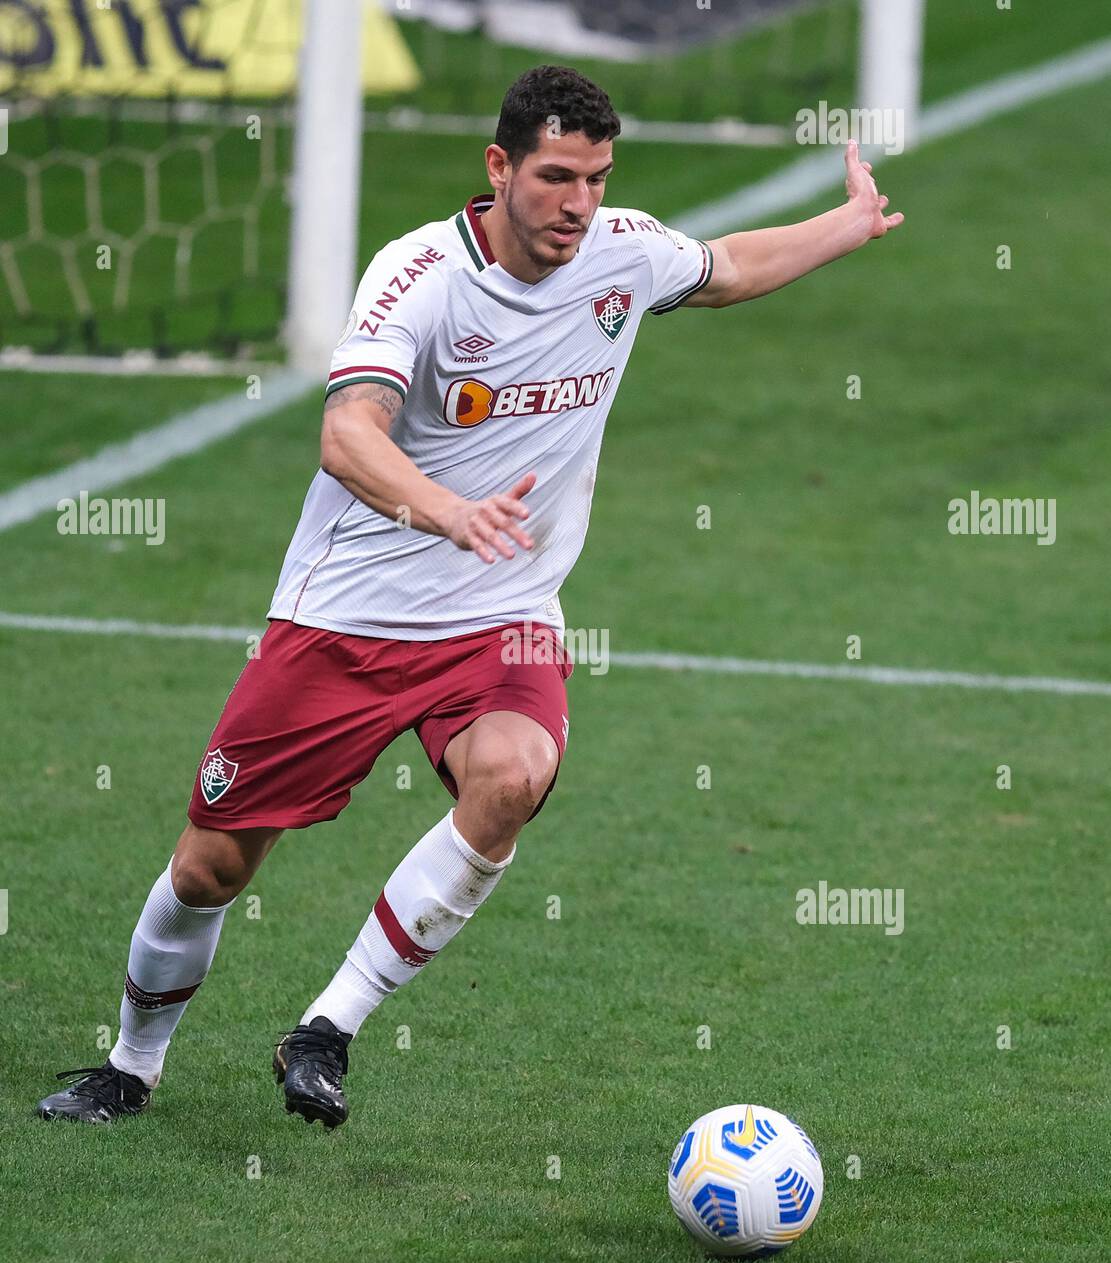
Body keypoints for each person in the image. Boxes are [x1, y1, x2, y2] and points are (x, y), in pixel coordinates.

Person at [38, 65, 902, 1127]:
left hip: (504, 616)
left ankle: (326, 1030)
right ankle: (131, 1065)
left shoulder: (621, 254)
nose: (576, 204)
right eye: (552, 177)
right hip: (347, 618)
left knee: (511, 778)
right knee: (212, 864)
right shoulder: (419, 276)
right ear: (497, 168)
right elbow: (347, 435)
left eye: (593, 178)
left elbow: (723, 267)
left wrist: (848, 223)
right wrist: (446, 511)